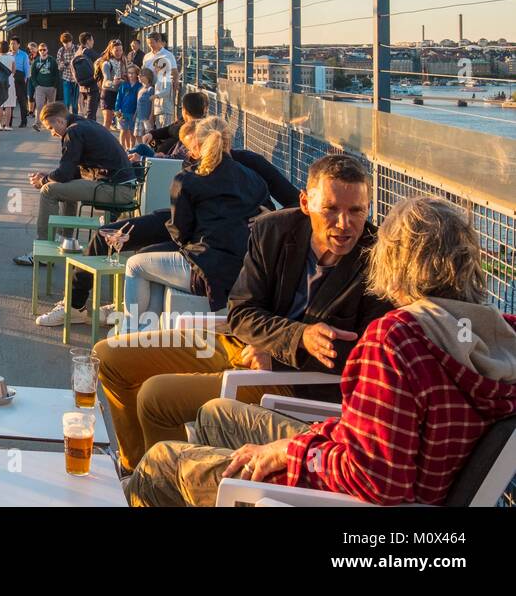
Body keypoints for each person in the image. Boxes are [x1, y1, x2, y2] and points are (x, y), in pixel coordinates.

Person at [127, 195, 516, 507]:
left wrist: (290, 454)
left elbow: (376, 480)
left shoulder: (398, 340)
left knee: (162, 464)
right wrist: (301, 442)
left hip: (336, 494)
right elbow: (384, 435)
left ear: (395, 261)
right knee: (216, 415)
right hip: (398, 470)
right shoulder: (496, 332)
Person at [95, 154, 387, 473]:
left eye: (356, 210)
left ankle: (162, 483)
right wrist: (296, 335)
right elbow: (241, 310)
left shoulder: (379, 262)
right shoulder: (274, 229)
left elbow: (365, 355)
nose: (344, 224)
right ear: (306, 203)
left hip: (291, 376)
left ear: (368, 208)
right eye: (331, 209)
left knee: (156, 396)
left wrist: (277, 354)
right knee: (108, 356)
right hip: (240, 342)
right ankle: (135, 467)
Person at [112, 117, 270, 335]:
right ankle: (147, 335)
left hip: (208, 272)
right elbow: (266, 219)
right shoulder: (253, 178)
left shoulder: (188, 179)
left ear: (197, 144)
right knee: (153, 272)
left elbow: (180, 233)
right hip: (246, 270)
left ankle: (130, 337)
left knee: (135, 265)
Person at [12, 102, 137, 277]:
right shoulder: (83, 124)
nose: (53, 133)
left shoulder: (73, 131)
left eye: (51, 128)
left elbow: (64, 172)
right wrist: (48, 176)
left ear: (60, 121)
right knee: (65, 187)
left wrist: (44, 180)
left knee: (49, 190)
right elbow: (69, 173)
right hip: (121, 186)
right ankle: (66, 239)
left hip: (115, 189)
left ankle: (42, 251)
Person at [145, 90, 207, 155]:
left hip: (166, 160)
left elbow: (180, 157)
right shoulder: (183, 120)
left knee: (140, 150)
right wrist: (151, 134)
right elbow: (168, 129)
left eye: (182, 108)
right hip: (160, 153)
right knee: (141, 148)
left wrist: (162, 156)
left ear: (185, 111)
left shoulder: (194, 131)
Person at [145, 31, 180, 130]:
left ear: (159, 41)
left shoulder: (168, 55)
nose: (150, 45)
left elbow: (174, 72)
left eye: (152, 43)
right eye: (148, 43)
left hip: (161, 95)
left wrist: (175, 86)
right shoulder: (147, 56)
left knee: (162, 123)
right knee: (148, 120)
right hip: (150, 91)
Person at [27, 42, 60, 132]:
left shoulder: (52, 60)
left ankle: (51, 124)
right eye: (40, 50)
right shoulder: (36, 61)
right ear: (38, 51)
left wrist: (55, 86)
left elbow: (56, 74)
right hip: (40, 87)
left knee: (50, 107)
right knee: (39, 106)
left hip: (51, 87)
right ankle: (37, 124)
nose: (42, 51)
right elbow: (33, 75)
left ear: (47, 50)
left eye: (44, 49)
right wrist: (36, 86)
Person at [97, 39, 124, 131]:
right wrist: (113, 83)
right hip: (108, 93)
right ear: (111, 50)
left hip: (119, 94)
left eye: (121, 50)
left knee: (121, 123)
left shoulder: (122, 62)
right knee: (107, 122)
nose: (119, 52)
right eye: (116, 50)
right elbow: (105, 82)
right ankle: (103, 143)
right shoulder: (106, 63)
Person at [115, 64, 140, 150]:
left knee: (132, 132)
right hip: (123, 112)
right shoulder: (124, 85)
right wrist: (117, 110)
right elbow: (119, 98)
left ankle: (131, 148)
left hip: (134, 112)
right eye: (129, 73)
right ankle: (122, 148)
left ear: (137, 74)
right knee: (123, 130)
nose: (131, 75)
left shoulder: (139, 86)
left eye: (133, 73)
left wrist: (137, 113)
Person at [0, 40, 18, 130]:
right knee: (9, 104)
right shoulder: (11, 58)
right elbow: (14, 70)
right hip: (9, 81)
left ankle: (0, 125)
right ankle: (7, 125)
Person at [9, 36, 31, 127]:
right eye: (11, 44)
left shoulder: (23, 54)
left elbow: (27, 68)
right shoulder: (7, 55)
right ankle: (8, 122)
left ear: (18, 45)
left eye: (14, 43)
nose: (12, 45)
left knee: (22, 101)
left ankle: (23, 122)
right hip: (10, 78)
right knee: (10, 101)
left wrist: (25, 79)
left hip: (20, 77)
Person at [56, 32, 78, 112]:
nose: (66, 45)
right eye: (64, 43)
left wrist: (69, 65)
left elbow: (80, 63)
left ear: (71, 41)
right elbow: (59, 65)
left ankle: (76, 120)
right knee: (67, 102)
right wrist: (61, 66)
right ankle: (67, 119)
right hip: (66, 79)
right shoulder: (61, 51)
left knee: (75, 104)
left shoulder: (77, 49)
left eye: (67, 42)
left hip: (76, 80)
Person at [134, 67, 155, 138]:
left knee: (147, 135)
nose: (139, 76)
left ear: (148, 77)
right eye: (139, 75)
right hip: (139, 117)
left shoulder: (151, 89)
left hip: (146, 117)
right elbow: (138, 104)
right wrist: (135, 114)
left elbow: (153, 104)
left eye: (142, 75)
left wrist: (151, 117)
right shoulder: (140, 89)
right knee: (137, 135)